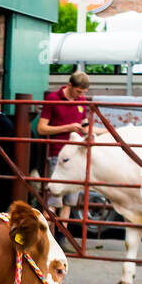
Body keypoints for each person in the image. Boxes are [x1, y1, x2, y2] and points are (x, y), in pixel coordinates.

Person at [36, 70, 94, 222]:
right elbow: (41, 128)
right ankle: (48, 237)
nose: (79, 95)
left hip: (76, 154)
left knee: (70, 201)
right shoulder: (53, 99)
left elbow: (85, 125)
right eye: (78, 91)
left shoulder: (81, 101)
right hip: (58, 153)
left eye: (83, 92)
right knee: (54, 198)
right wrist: (67, 127)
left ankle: (62, 238)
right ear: (69, 85)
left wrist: (99, 132)